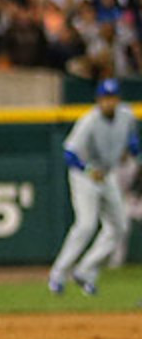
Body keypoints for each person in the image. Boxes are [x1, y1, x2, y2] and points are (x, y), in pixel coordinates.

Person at [48, 78, 140, 295]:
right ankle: (58, 274)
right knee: (86, 225)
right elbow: (69, 154)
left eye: (113, 97)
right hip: (85, 176)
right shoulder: (89, 121)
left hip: (108, 175)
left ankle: (85, 270)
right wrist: (89, 170)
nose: (109, 102)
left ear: (118, 99)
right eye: (105, 98)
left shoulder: (126, 116)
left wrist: (132, 151)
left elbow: (133, 142)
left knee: (119, 227)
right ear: (99, 99)